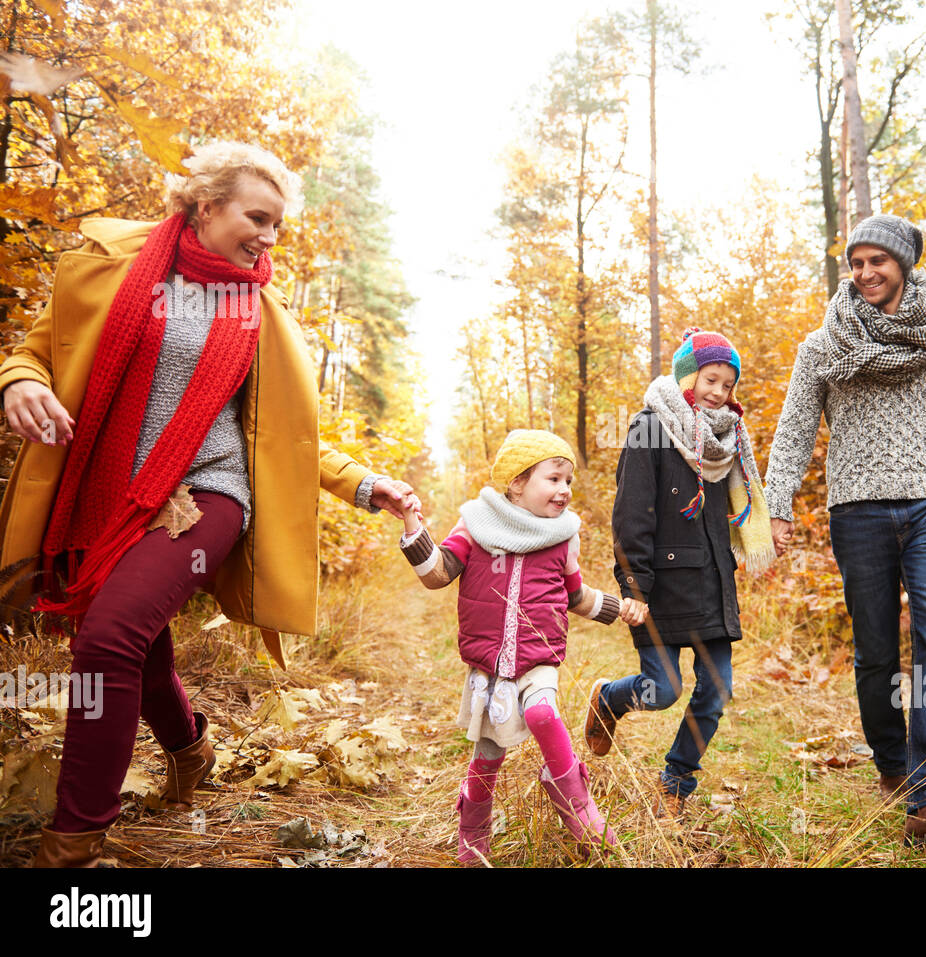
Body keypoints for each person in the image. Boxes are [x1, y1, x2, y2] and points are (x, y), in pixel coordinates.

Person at [0, 142, 419, 867]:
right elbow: (36, 351)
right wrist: (21, 383)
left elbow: (282, 435)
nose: (270, 237)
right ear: (204, 204)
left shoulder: (262, 313)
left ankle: (72, 844)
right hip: (106, 490)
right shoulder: (111, 265)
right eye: (258, 217)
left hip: (207, 493)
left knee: (107, 640)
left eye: (278, 224)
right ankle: (191, 747)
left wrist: (359, 481)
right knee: (134, 645)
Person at [764, 214, 926, 854]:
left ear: (904, 263)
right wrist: (777, 507)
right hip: (858, 512)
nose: (866, 272)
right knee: (875, 651)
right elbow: (794, 430)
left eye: (877, 260)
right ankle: (893, 766)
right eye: (856, 263)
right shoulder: (824, 345)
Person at [397, 429, 637, 865]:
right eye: (554, 479)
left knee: (542, 712)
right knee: (488, 755)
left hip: (538, 656)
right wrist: (413, 525)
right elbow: (437, 574)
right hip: (490, 666)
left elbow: (575, 595)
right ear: (517, 482)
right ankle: (473, 825)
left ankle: (579, 807)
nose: (564, 490)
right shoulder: (476, 525)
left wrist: (619, 608)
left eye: (568, 481)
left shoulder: (564, 535)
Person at [585, 329, 775, 817]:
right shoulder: (649, 426)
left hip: (712, 581)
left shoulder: (727, 439)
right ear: (689, 376)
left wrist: (759, 536)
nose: (719, 392)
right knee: (662, 690)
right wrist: (634, 585)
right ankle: (609, 698)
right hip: (662, 586)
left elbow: (735, 509)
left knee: (717, 688)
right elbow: (631, 513)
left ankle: (676, 780)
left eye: (728, 385)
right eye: (711, 379)